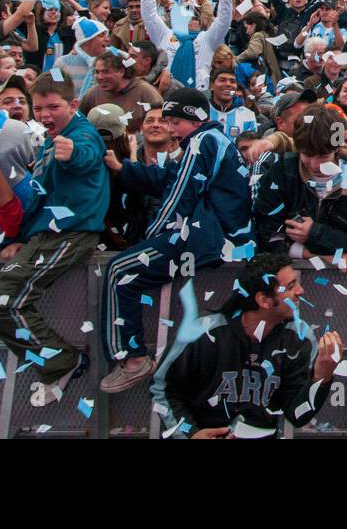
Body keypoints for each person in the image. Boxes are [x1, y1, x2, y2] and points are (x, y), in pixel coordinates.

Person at [99, 87, 252, 394]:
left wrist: (151, 237)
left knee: (120, 270)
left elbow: (180, 195)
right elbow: (167, 180)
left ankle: (133, 359)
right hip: (213, 237)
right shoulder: (206, 141)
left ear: (194, 119)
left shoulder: (202, 141)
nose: (169, 128)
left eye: (174, 121)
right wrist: (123, 168)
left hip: (207, 238)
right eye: (166, 121)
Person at [0, 72, 110, 408]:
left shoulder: (82, 134)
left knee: (2, 306)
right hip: (46, 235)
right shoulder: (49, 138)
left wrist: (72, 153)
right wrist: (22, 237)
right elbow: (41, 194)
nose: (45, 114)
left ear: (74, 104)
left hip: (71, 234)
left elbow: (86, 154)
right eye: (39, 108)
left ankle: (60, 362)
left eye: (54, 107)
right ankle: (58, 361)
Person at [152, 252, 343, 438]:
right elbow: (162, 386)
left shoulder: (299, 337)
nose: (300, 291)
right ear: (263, 300)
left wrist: (322, 377)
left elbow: (297, 415)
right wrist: (189, 434)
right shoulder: (203, 331)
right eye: (291, 286)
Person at [250, 103, 347, 269]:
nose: (314, 165)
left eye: (323, 156)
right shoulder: (284, 171)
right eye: (307, 155)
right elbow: (266, 231)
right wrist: (318, 255)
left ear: (336, 148)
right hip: (287, 279)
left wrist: (316, 233)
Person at [78, 50, 163, 134]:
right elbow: (78, 121)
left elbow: (164, 123)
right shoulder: (94, 93)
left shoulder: (146, 92)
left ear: (121, 71)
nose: (100, 77)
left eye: (105, 72)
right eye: (97, 72)